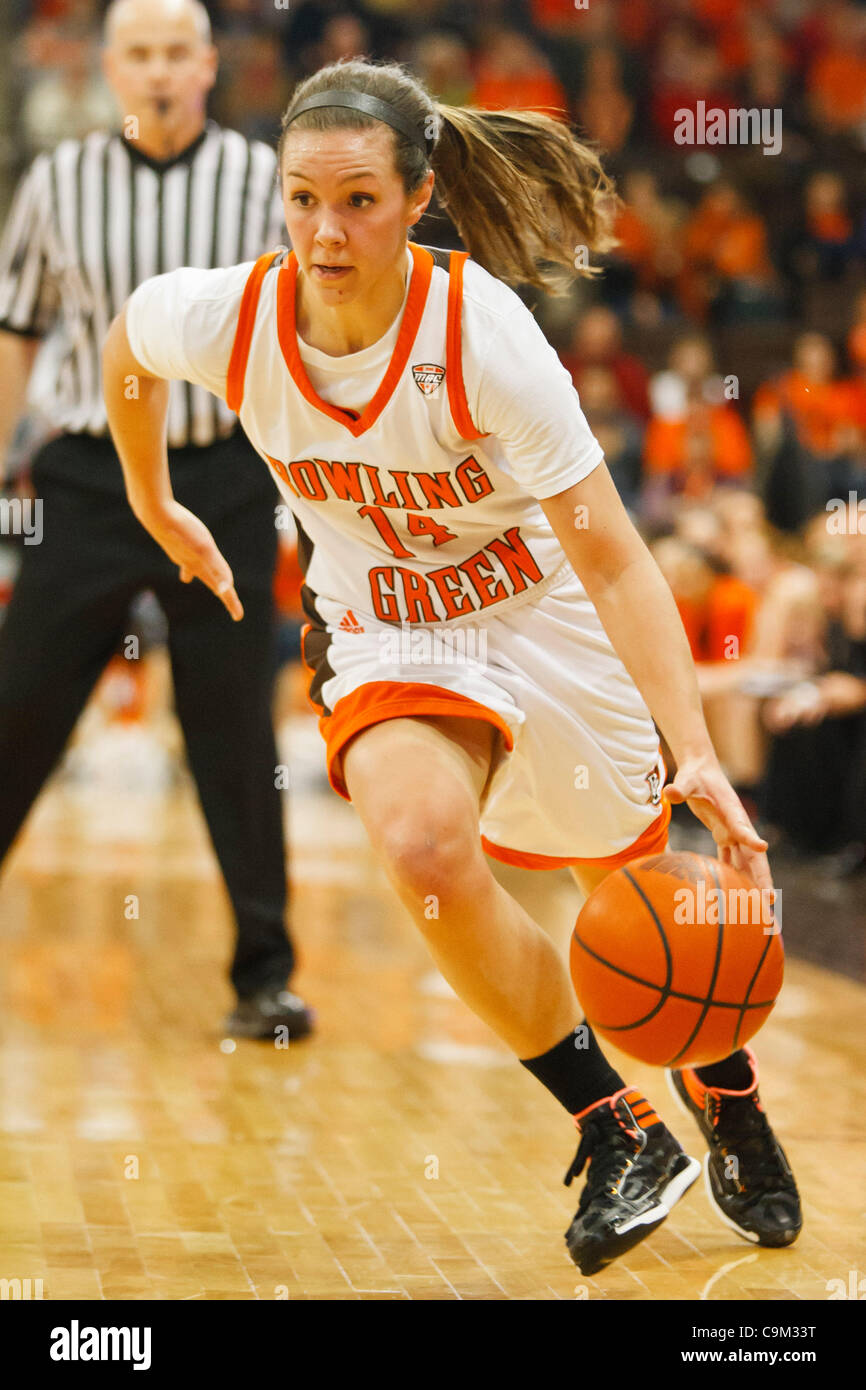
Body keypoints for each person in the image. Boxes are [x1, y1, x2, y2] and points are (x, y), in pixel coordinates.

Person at [102, 57, 801, 1275]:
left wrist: (690, 743)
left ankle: (725, 1085)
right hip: (384, 618)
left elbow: (620, 560)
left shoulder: (484, 335)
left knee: (626, 891)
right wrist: (152, 499)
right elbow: (126, 346)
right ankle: (613, 1122)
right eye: (303, 198)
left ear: (416, 196)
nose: (326, 229)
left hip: (538, 604)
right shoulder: (229, 318)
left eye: (360, 200)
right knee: (421, 842)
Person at [0, 0, 312, 1042]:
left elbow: (304, 331)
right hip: (89, 476)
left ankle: (264, 975)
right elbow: (19, 328)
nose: (159, 70)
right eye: (139, 53)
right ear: (109, 69)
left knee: (233, 730)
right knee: (19, 711)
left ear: (211, 64)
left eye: (178, 50)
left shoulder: (263, 182)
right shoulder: (58, 181)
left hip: (223, 473)